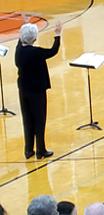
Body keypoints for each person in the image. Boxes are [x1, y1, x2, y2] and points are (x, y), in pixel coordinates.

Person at [16, 22, 62, 159]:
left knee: (28, 119)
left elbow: (21, 40)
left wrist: (25, 24)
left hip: (23, 89)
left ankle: (28, 150)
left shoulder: (19, 50)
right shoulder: (35, 53)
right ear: (34, 38)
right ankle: (40, 150)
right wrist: (58, 34)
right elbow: (53, 51)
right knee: (39, 120)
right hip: (36, 91)